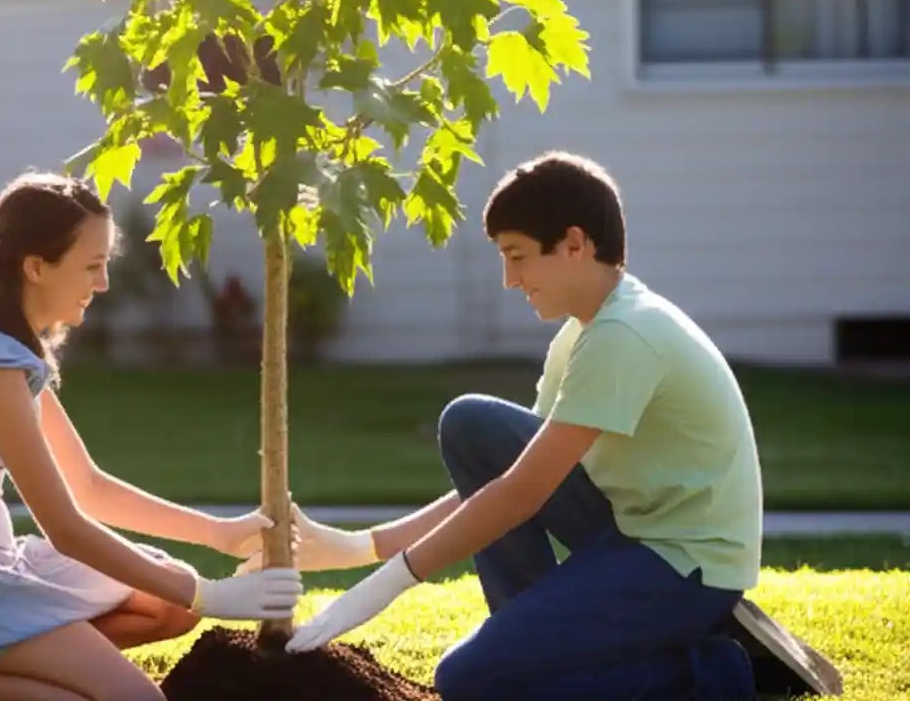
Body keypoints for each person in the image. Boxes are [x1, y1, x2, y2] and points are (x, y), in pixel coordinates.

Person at [254, 151, 843, 698]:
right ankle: (535, 640)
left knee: (469, 680)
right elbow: (510, 476)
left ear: (575, 244)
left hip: (684, 568)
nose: (511, 280)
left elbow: (522, 493)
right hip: (630, 535)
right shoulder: (584, 332)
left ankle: (711, 670)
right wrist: (360, 547)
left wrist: (385, 585)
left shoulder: (624, 334)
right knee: (473, 426)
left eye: (517, 256)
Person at [0, 172, 302, 701]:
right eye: (92, 266)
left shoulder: (8, 348)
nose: (103, 282)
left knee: (167, 604)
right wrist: (213, 595)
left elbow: (87, 486)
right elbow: (65, 527)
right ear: (36, 267)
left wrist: (218, 534)